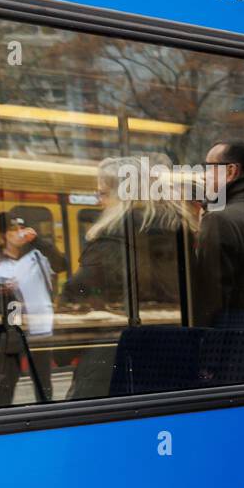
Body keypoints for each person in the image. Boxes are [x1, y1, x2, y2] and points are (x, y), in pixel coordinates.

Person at [61, 155, 196, 399]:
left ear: (122, 196)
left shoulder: (111, 240)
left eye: (102, 193)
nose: (99, 201)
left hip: (116, 358)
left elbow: (77, 293)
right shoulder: (183, 232)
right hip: (177, 353)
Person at [0, 210, 67, 406]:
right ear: (4, 234)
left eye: (22, 228)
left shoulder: (38, 255)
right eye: (14, 230)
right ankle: (3, 417)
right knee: (7, 381)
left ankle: (47, 417)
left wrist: (38, 241)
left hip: (40, 329)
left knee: (43, 381)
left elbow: (61, 265)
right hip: (12, 330)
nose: (20, 232)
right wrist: (1, 291)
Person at [194, 140, 244, 329]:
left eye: (208, 168)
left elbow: (210, 301)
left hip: (234, 341)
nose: (203, 176)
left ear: (231, 171)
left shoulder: (219, 220)